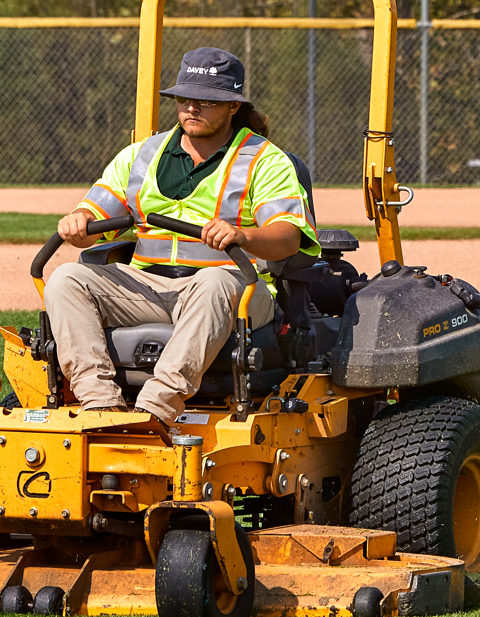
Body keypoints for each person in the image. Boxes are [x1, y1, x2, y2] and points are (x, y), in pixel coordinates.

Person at [43, 46, 319, 426]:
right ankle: (100, 407)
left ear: (233, 107)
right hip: (148, 287)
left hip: (238, 290)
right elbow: (94, 213)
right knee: (66, 278)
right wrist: (78, 221)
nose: (192, 108)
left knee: (213, 282)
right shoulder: (140, 155)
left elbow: (288, 237)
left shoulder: (265, 160)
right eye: (185, 99)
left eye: (206, 101)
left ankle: (154, 413)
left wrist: (241, 234)